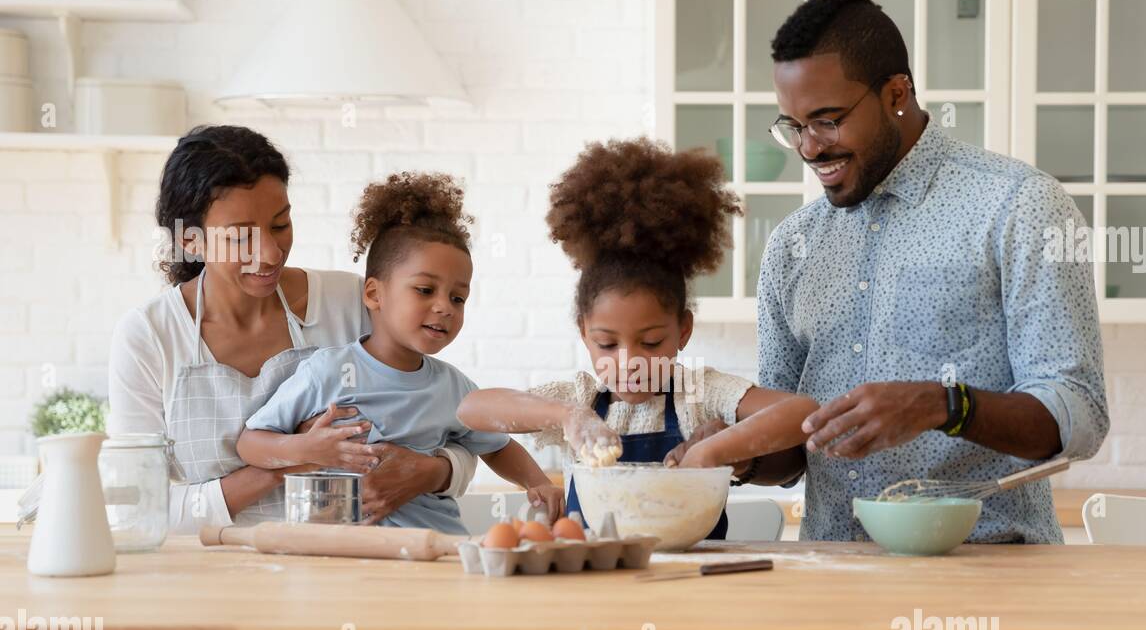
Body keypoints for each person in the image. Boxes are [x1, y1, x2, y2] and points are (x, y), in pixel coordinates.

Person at [757, 0, 1108, 542]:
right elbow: (785, 442)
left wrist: (944, 405)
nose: (809, 148)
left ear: (897, 93)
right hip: (830, 581)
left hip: (989, 577)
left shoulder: (1018, 205)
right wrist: (730, 452)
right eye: (794, 126)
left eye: (827, 121)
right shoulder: (792, 245)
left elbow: (1079, 417)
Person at [107, 126, 476, 532]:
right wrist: (289, 461)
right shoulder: (150, 336)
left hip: (347, 576)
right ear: (192, 242)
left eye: (280, 225)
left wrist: (432, 472)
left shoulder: (348, 302)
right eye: (240, 237)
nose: (269, 254)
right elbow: (138, 510)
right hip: (214, 581)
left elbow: (448, 424)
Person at [457, 138, 819, 536]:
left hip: (694, 580)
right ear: (584, 333)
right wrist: (568, 416)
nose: (629, 361)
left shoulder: (696, 391)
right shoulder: (582, 399)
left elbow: (802, 411)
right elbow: (472, 409)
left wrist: (717, 450)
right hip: (597, 579)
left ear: (683, 330)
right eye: (607, 344)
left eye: (650, 343)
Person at [237, 172, 562, 531]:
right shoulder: (327, 371)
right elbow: (252, 443)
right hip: (340, 559)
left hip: (434, 550)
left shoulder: (454, 387)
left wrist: (538, 483)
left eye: (458, 297)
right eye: (425, 290)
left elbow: (497, 445)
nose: (445, 307)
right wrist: (307, 449)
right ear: (374, 294)